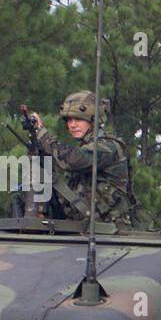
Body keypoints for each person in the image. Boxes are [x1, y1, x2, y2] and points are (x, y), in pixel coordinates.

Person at [25, 91, 136, 227]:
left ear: (94, 120)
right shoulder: (82, 149)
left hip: (111, 231)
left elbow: (74, 160)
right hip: (82, 228)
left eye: (78, 119)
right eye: (69, 120)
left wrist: (42, 134)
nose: (72, 125)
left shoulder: (109, 147)